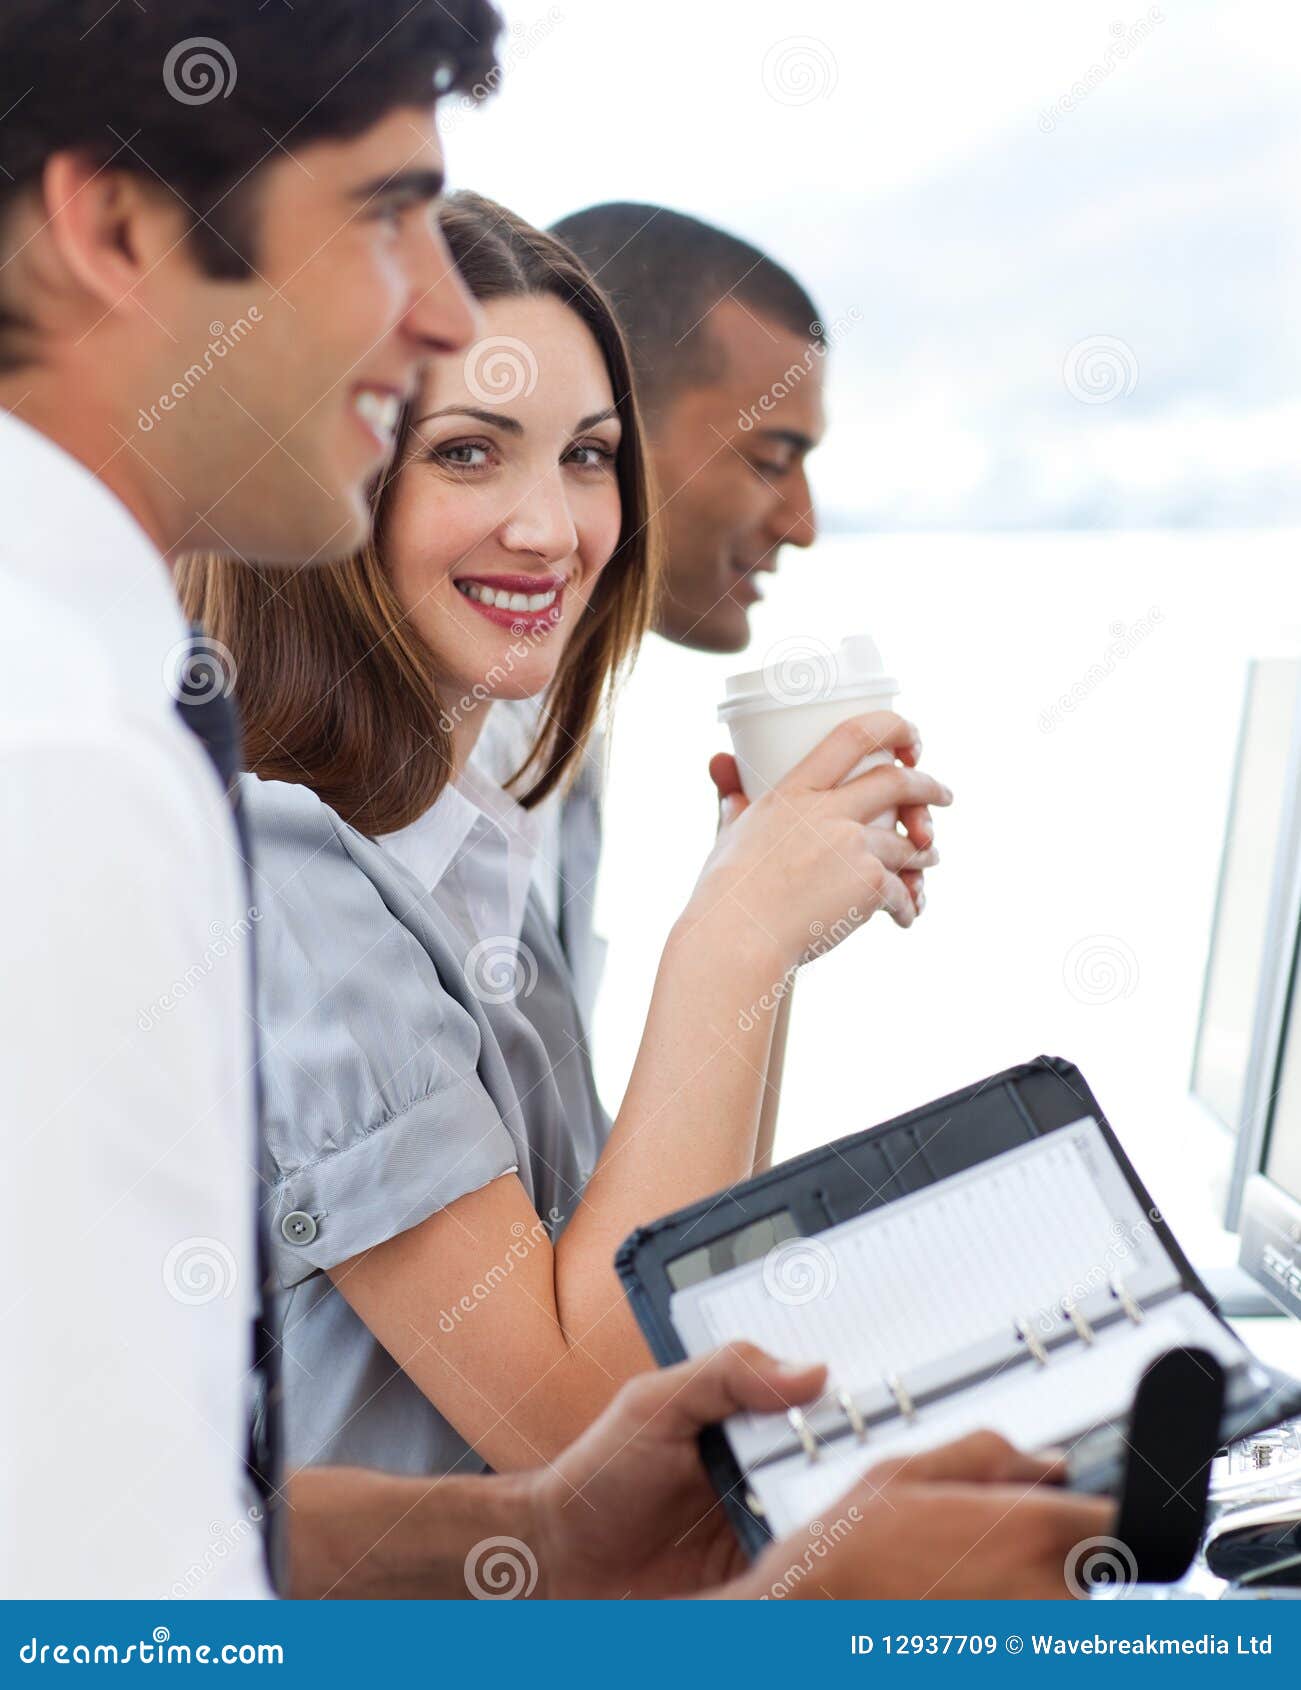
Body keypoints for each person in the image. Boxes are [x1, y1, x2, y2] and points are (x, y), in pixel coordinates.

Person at [0, 0, 1109, 1603]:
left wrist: (557, 1535)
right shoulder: (103, 786)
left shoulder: (148, 747)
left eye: (589, 456)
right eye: (385, 218)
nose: (432, 300)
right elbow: (115, 1623)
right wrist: (792, 1622)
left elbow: (135, 1526)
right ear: (110, 226)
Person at [178, 192, 948, 1480]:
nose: (553, 527)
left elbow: (670, 1298)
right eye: (470, 452)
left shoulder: (467, 862)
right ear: (330, 466)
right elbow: (585, 1440)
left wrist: (763, 912)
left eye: (588, 457)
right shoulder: (281, 874)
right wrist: (731, 942)